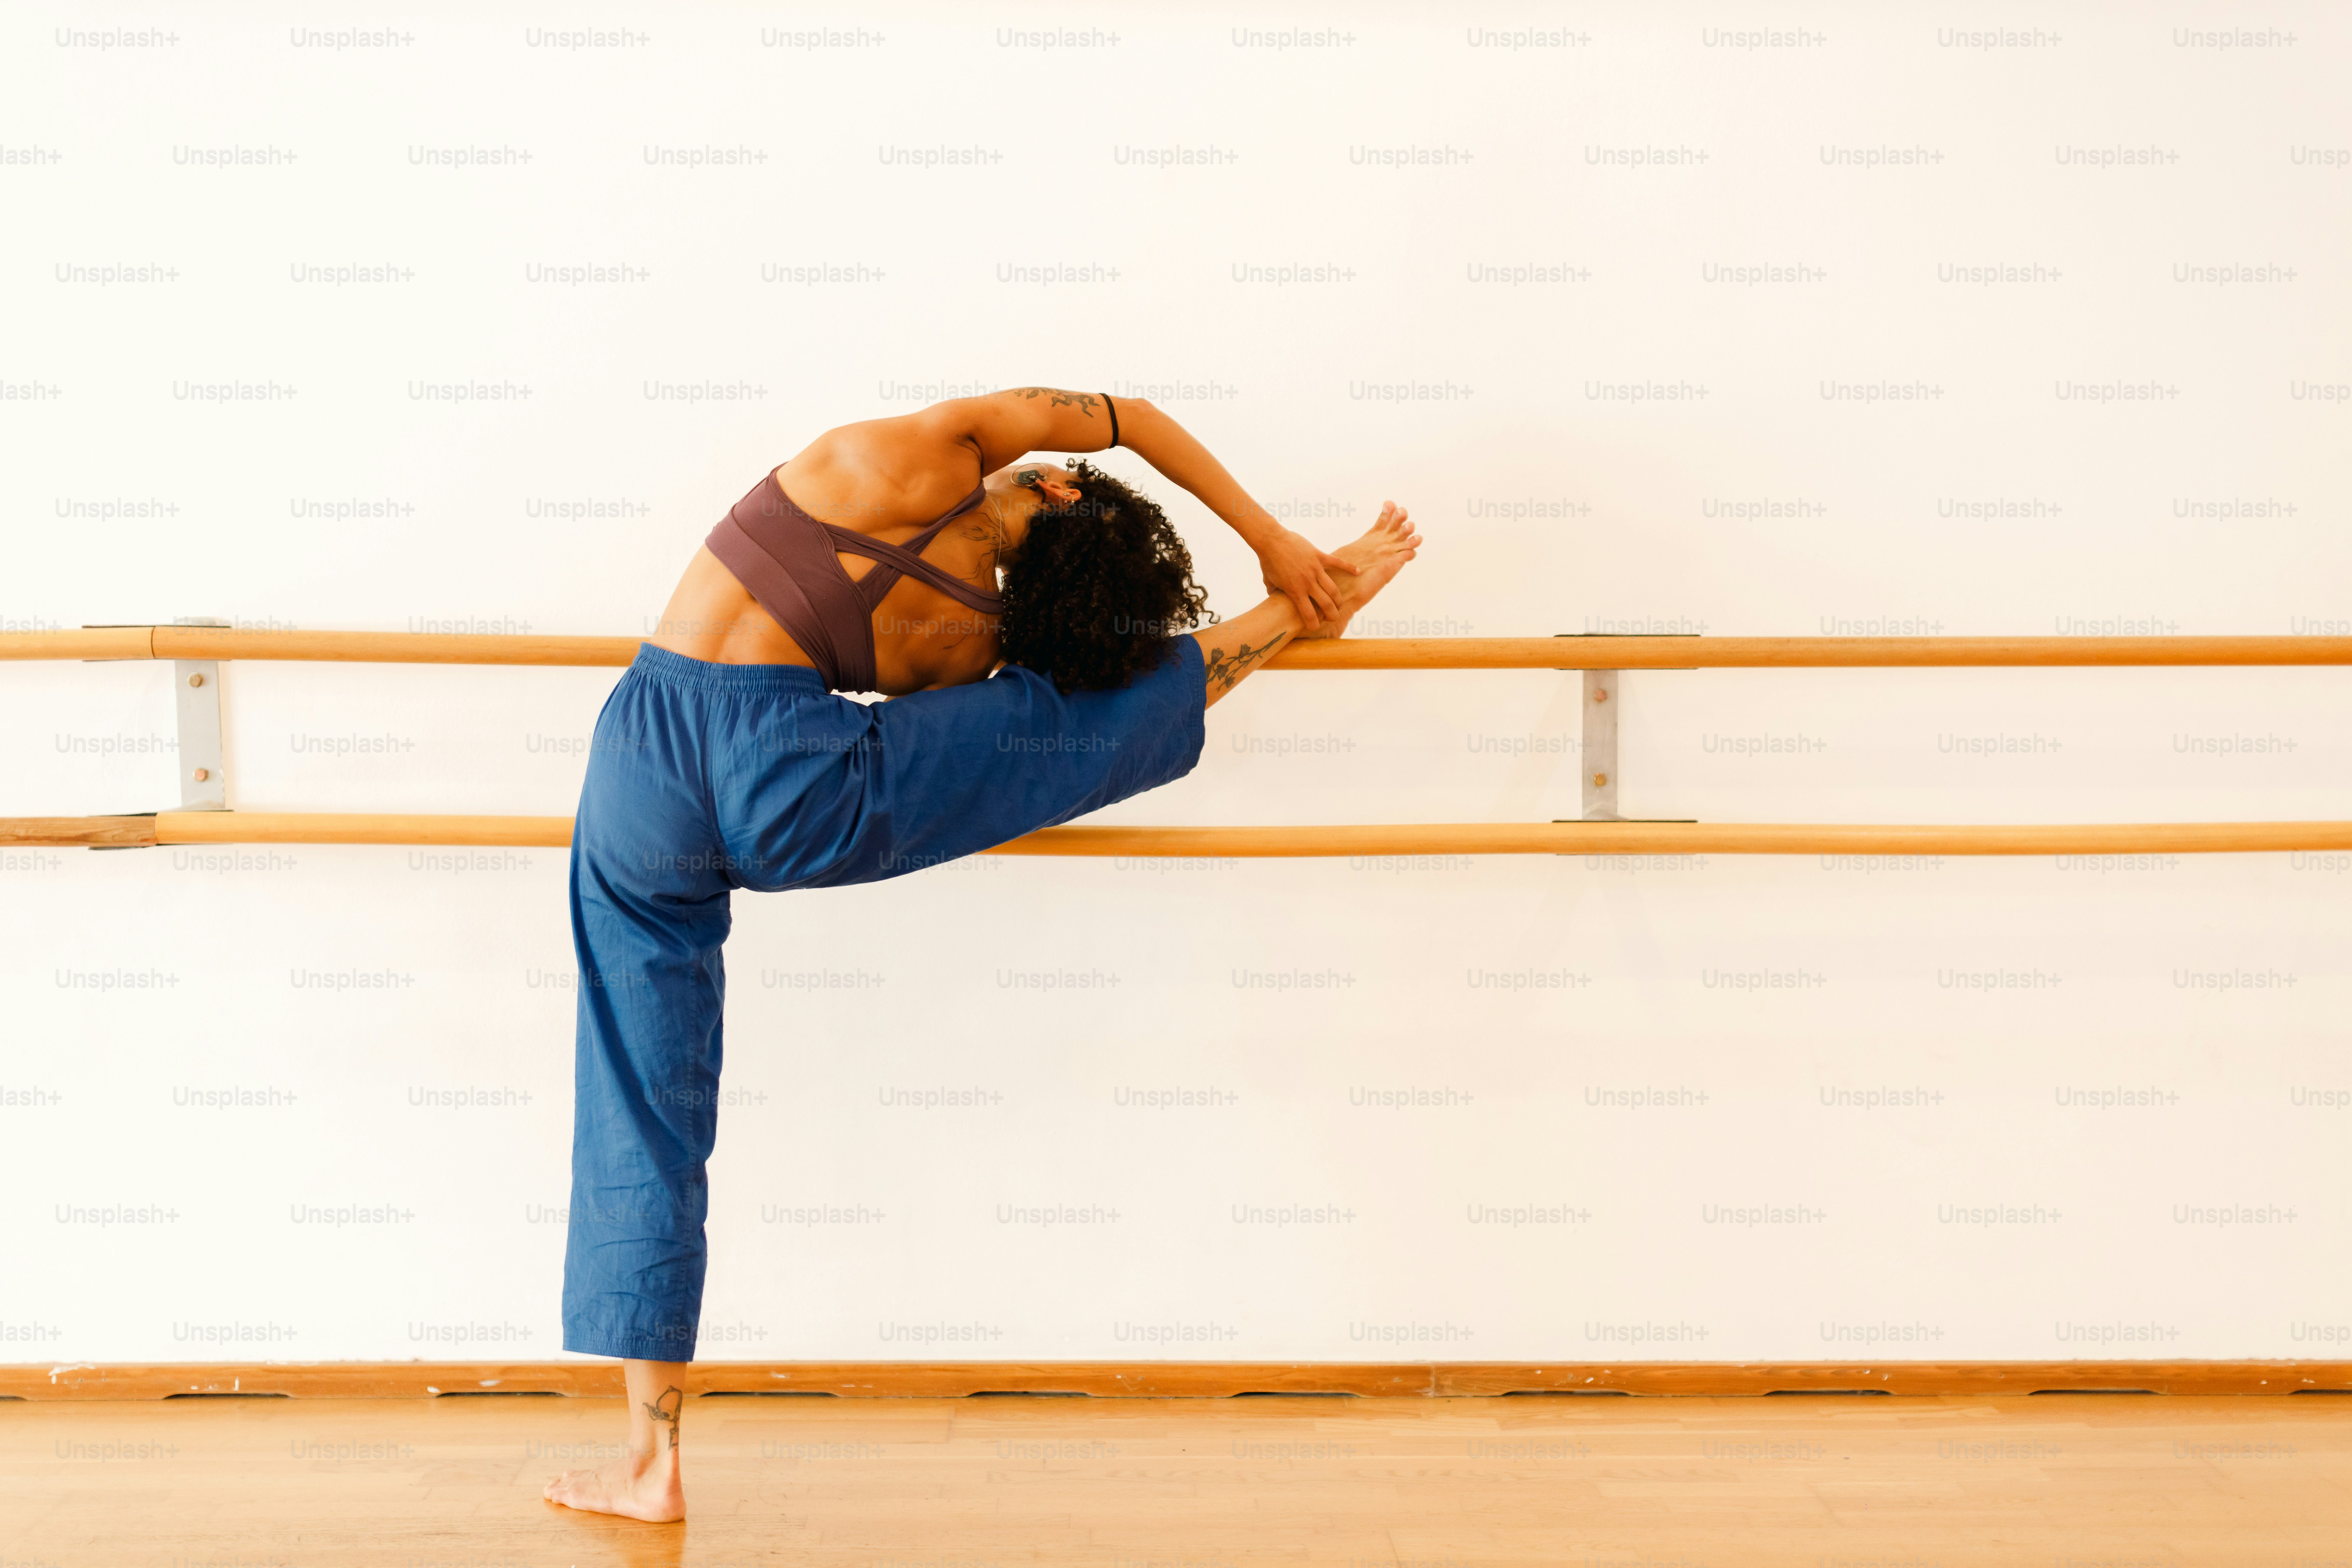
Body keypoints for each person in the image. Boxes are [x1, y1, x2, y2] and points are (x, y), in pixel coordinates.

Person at [544, 387, 1419, 1520]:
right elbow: (1006, 716)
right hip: (794, 790)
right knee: (1052, 733)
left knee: (640, 1100)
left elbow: (1130, 416)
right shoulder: (960, 641)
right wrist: (1286, 574)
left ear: (1051, 481)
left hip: (641, 767)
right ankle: (1294, 617)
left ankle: (649, 1459)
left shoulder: (907, 453)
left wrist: (1267, 532)